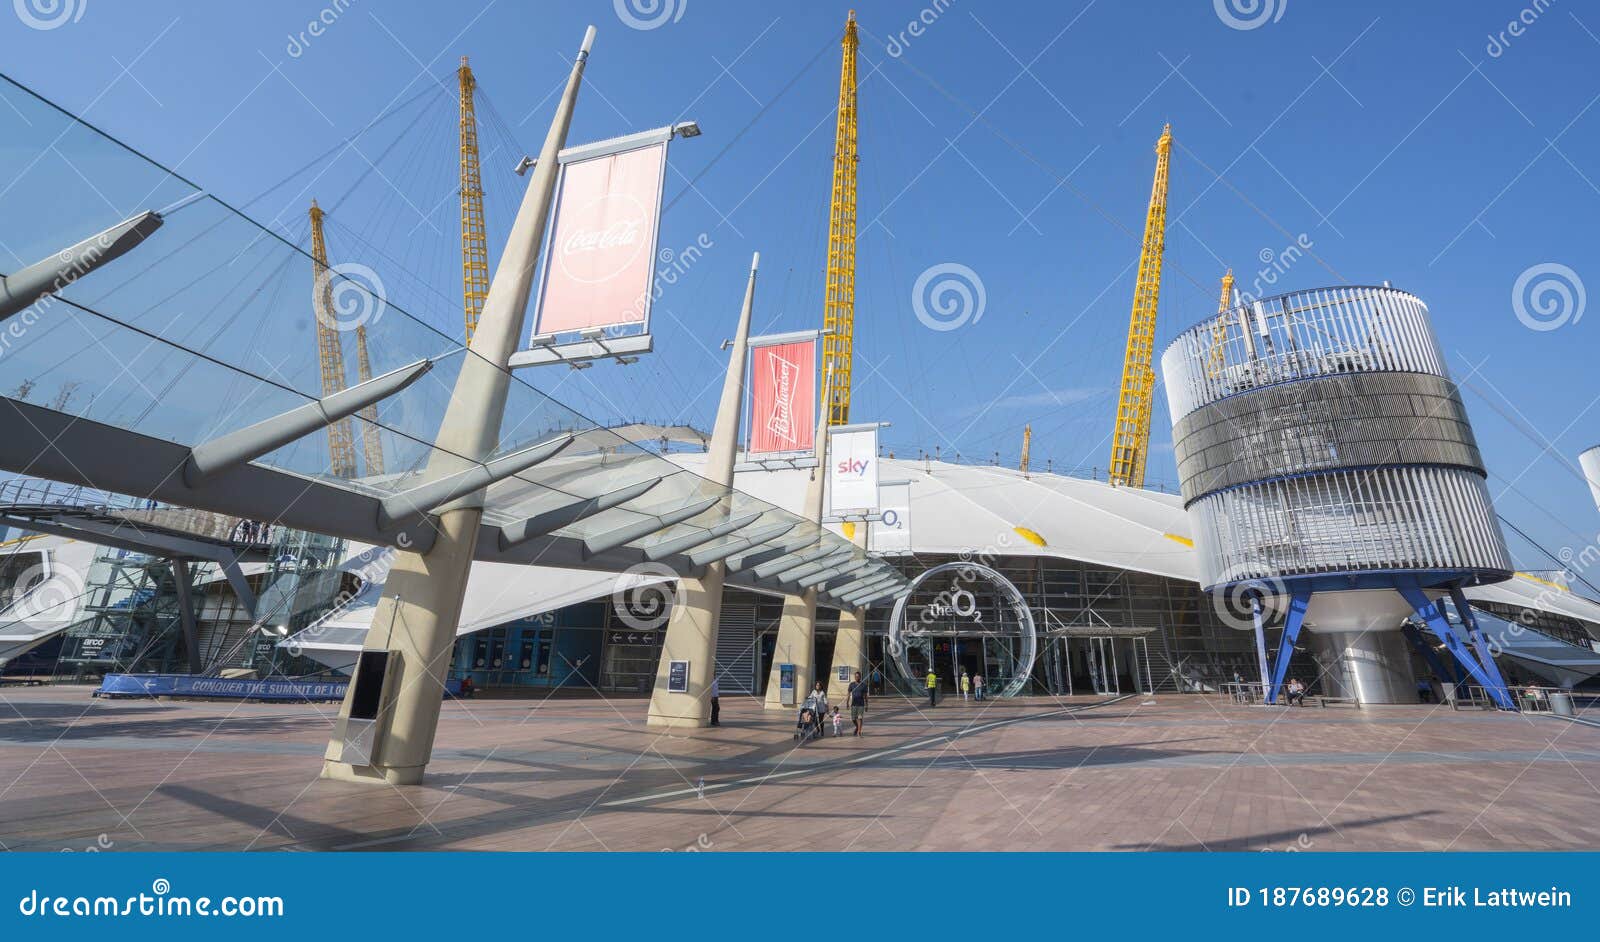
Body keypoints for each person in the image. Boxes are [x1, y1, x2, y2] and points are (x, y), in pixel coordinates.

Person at [847, 670, 869, 736]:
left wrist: (866, 705)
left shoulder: (864, 685)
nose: (857, 678)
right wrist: (847, 703)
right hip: (854, 704)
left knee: (860, 718)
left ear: (860, 677)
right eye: (856, 676)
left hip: (861, 704)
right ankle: (857, 727)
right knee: (853, 719)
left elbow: (865, 696)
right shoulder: (851, 684)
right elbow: (848, 694)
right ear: (854, 677)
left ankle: (859, 731)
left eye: (858, 677)